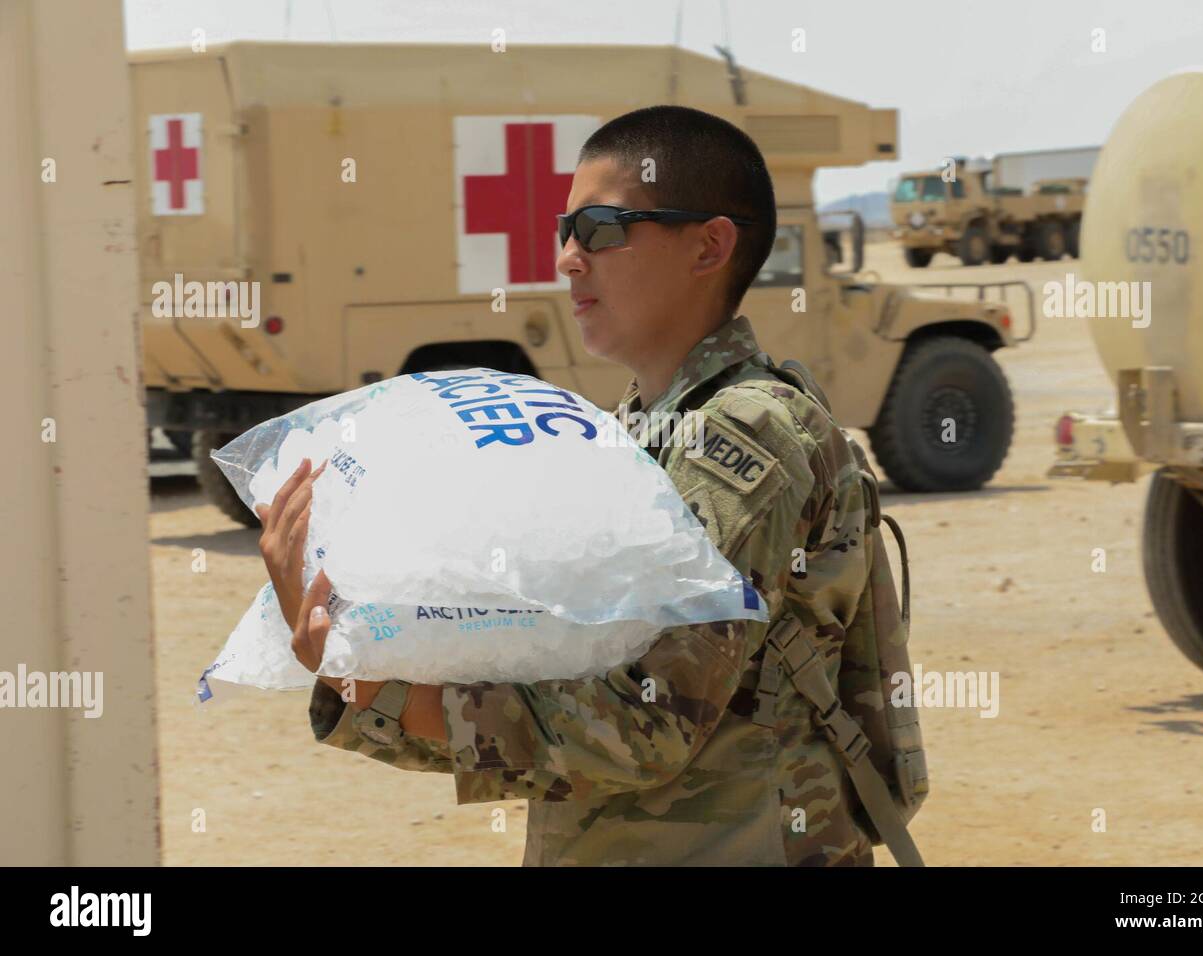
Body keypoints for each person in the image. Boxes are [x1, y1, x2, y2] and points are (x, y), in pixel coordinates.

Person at [258, 105, 882, 866]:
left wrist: (374, 686)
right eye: (564, 230)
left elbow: (640, 729)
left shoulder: (746, 434)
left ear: (709, 245)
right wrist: (355, 656)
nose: (566, 259)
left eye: (601, 229)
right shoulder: (627, 434)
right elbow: (546, 703)